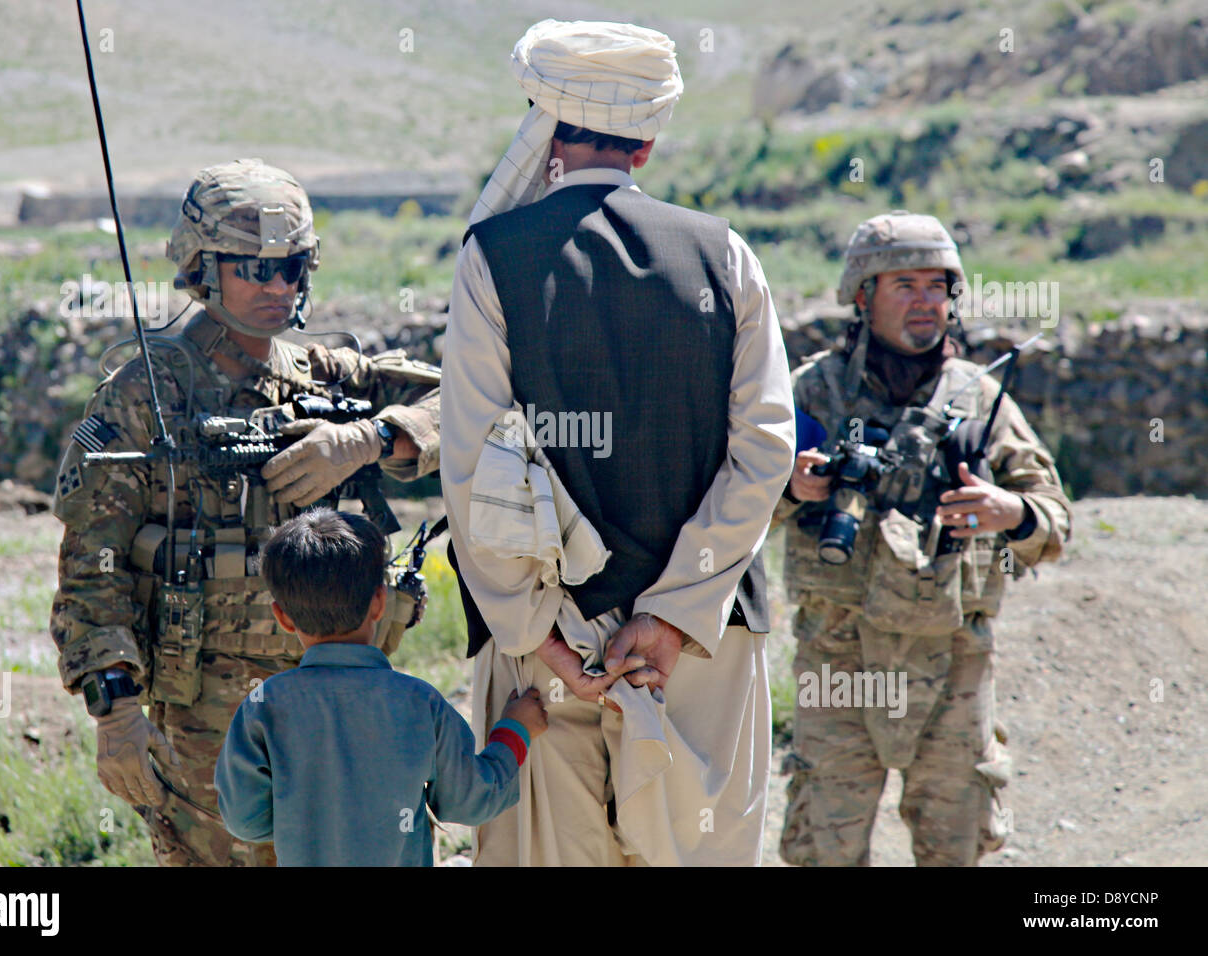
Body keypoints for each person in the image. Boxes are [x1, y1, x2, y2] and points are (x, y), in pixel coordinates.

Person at [441, 19, 796, 866]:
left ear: (545, 126)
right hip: (699, 655)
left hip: (544, 652)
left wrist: (544, 639)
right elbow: (764, 452)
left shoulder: (493, 258)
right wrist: (672, 615)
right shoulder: (726, 255)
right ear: (644, 143)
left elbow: (472, 470)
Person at [48, 158, 441, 866]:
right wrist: (115, 712)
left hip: (335, 692)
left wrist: (365, 440)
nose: (277, 287)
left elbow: (472, 402)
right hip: (203, 717)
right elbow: (91, 564)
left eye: (291, 267)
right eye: (254, 269)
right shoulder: (148, 392)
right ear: (202, 268)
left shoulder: (325, 375)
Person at [771, 210, 1072, 866]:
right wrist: (792, 489)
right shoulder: (812, 395)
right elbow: (732, 510)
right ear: (862, 295)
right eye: (903, 285)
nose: (925, 302)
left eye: (937, 286)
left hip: (954, 663)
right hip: (838, 662)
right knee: (824, 847)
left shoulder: (980, 399)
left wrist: (1008, 511)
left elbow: (1054, 522)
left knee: (954, 848)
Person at [214, 509, 547, 866]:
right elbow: (472, 799)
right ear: (379, 602)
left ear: (281, 616)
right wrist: (516, 730)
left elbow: (244, 819)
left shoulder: (263, 708)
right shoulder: (419, 703)